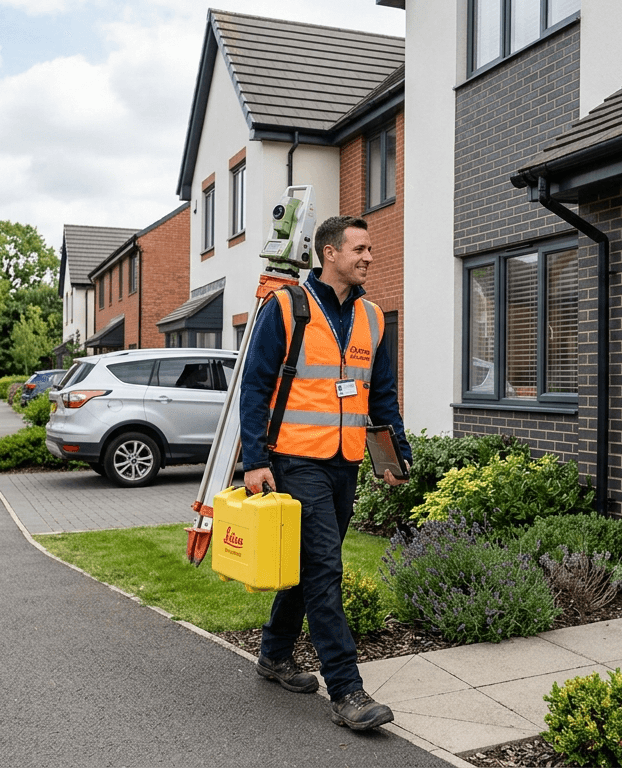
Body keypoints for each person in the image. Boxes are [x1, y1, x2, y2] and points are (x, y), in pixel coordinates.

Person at [239, 215, 410, 731]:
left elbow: (380, 395)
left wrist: (393, 454)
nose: (369, 257)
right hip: (295, 458)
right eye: (359, 248)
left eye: (371, 249)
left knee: (314, 561)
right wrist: (255, 460)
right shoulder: (289, 307)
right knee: (325, 571)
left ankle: (273, 652)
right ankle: (347, 691)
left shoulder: (374, 318)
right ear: (329, 253)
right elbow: (255, 386)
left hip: (346, 461)